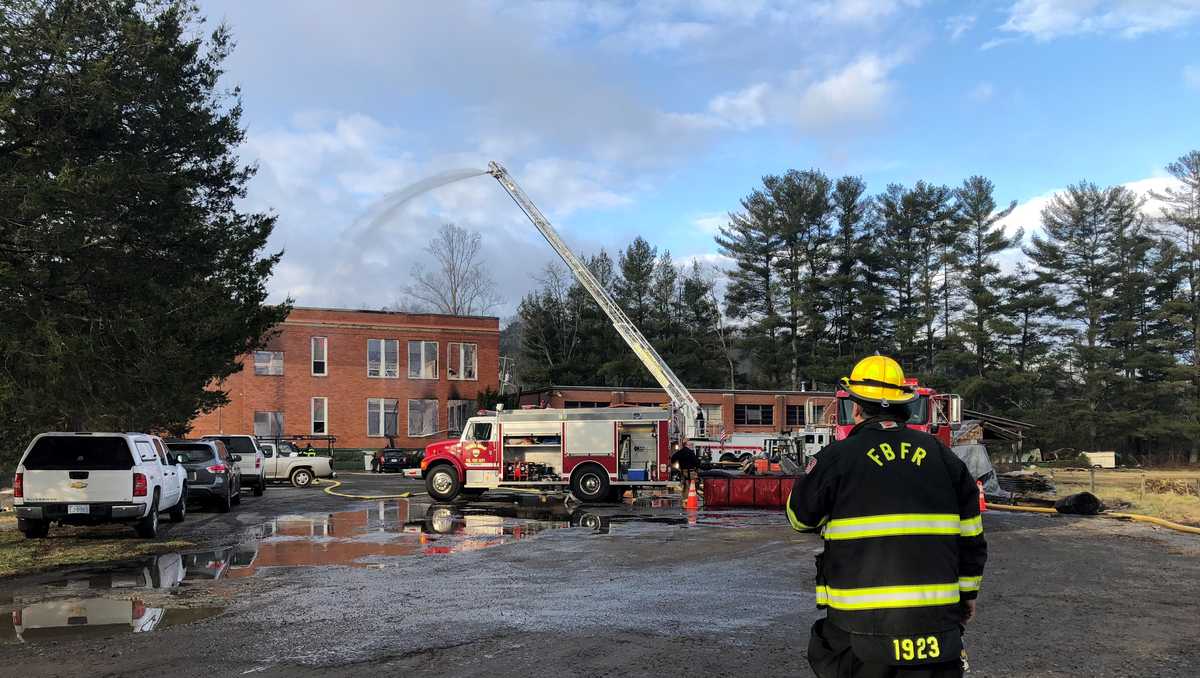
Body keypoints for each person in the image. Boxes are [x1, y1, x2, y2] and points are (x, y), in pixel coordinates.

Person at [787, 355, 987, 678]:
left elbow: (799, 518)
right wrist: (967, 597)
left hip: (859, 637)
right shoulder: (945, 459)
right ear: (905, 405)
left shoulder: (837, 458)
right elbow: (972, 538)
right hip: (937, 636)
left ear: (855, 407)